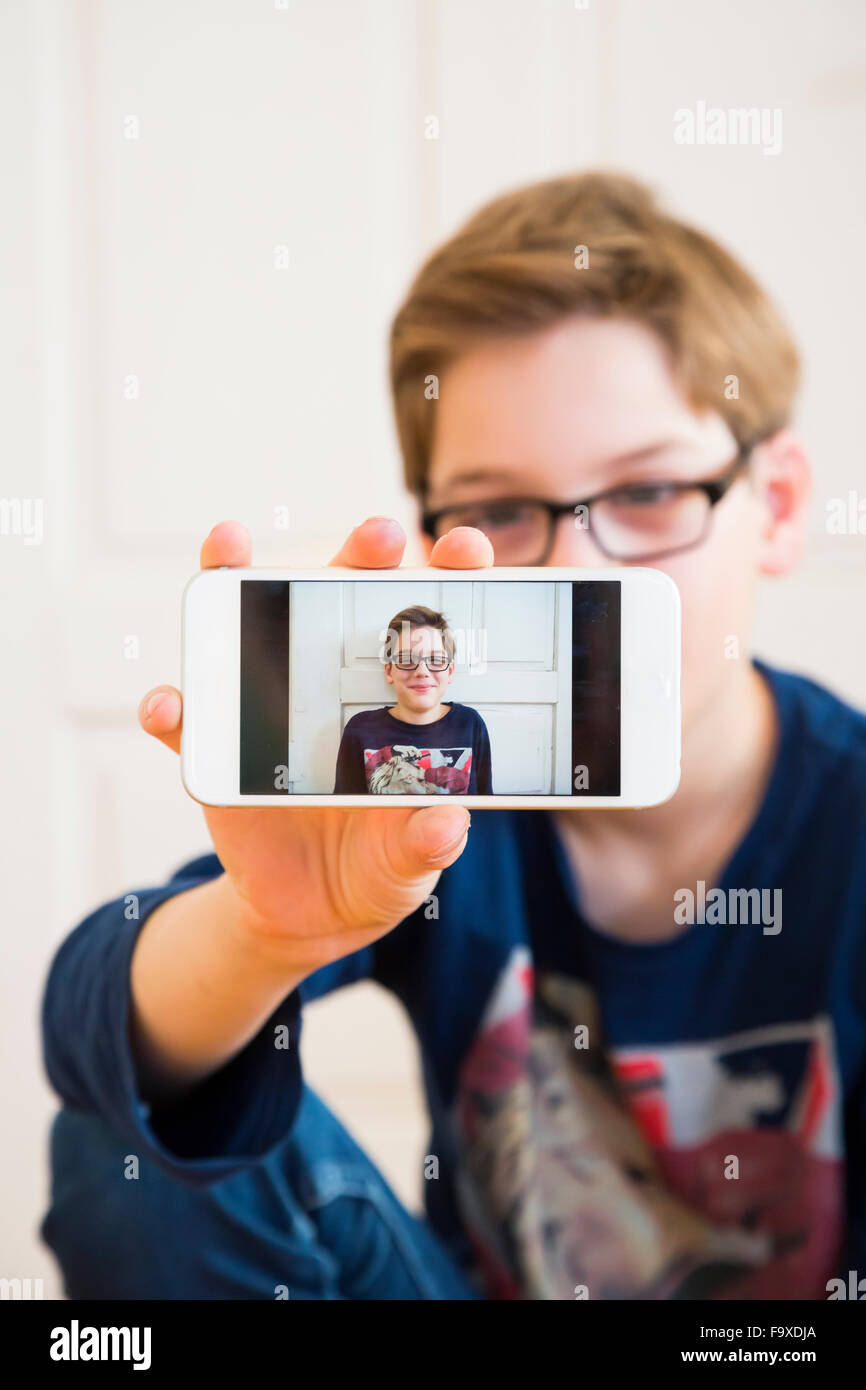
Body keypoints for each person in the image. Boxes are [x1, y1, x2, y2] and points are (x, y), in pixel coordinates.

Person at [41, 172, 866, 1300]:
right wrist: (262, 936)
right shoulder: (428, 781)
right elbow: (91, 1029)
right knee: (134, 1138)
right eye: (500, 510)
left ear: (772, 504)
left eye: (646, 493)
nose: (574, 572)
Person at [333, 604, 493, 796]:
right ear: (389, 671)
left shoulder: (470, 724)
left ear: (450, 671)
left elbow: (486, 807)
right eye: (407, 659)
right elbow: (344, 812)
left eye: (435, 660)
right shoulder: (360, 728)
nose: (422, 671)